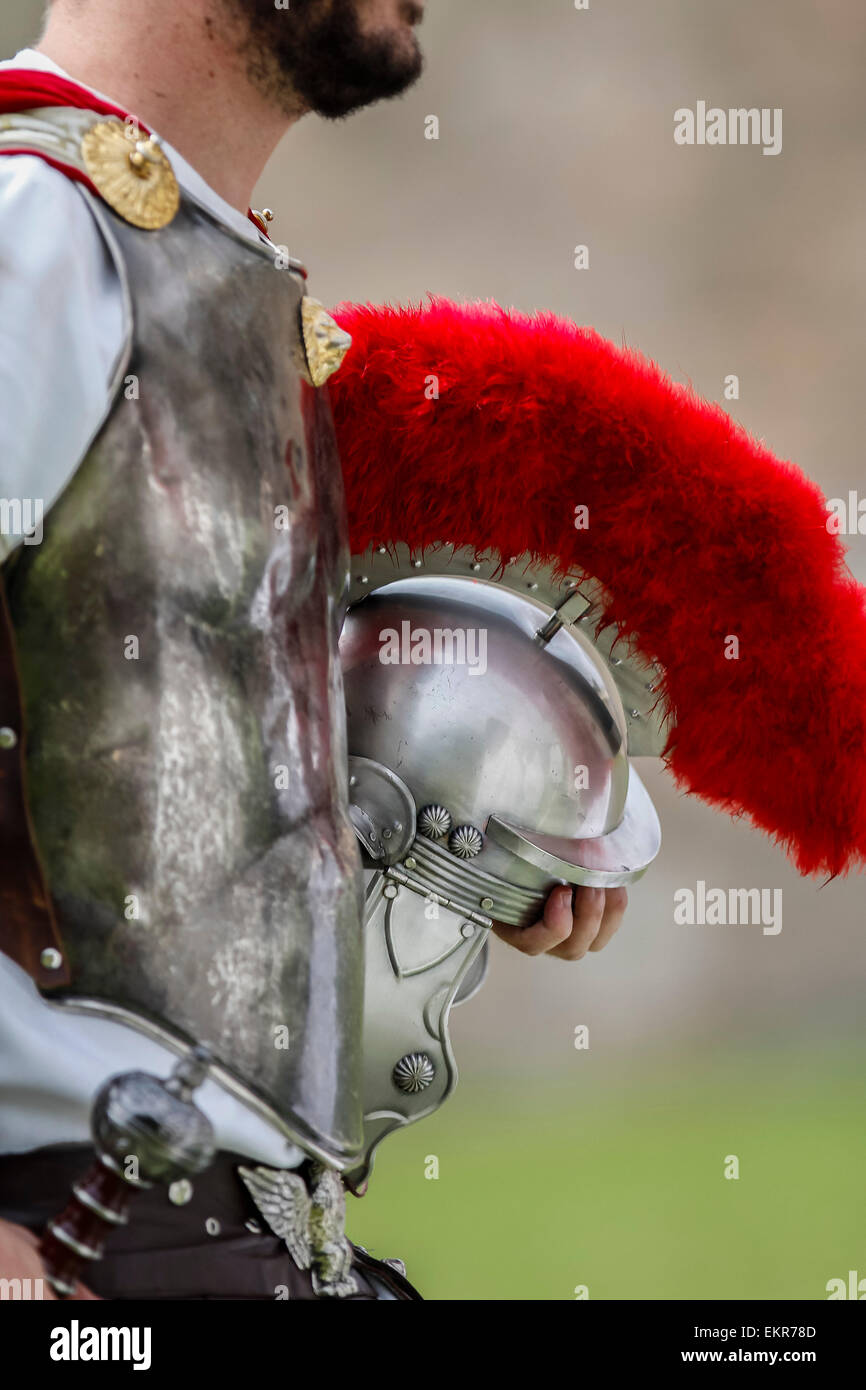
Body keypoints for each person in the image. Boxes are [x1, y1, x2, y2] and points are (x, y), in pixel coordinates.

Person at [1, 0, 864, 1302]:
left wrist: (459, 823)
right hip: (85, 1247)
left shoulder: (187, 251)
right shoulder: (36, 231)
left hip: (244, 1236)